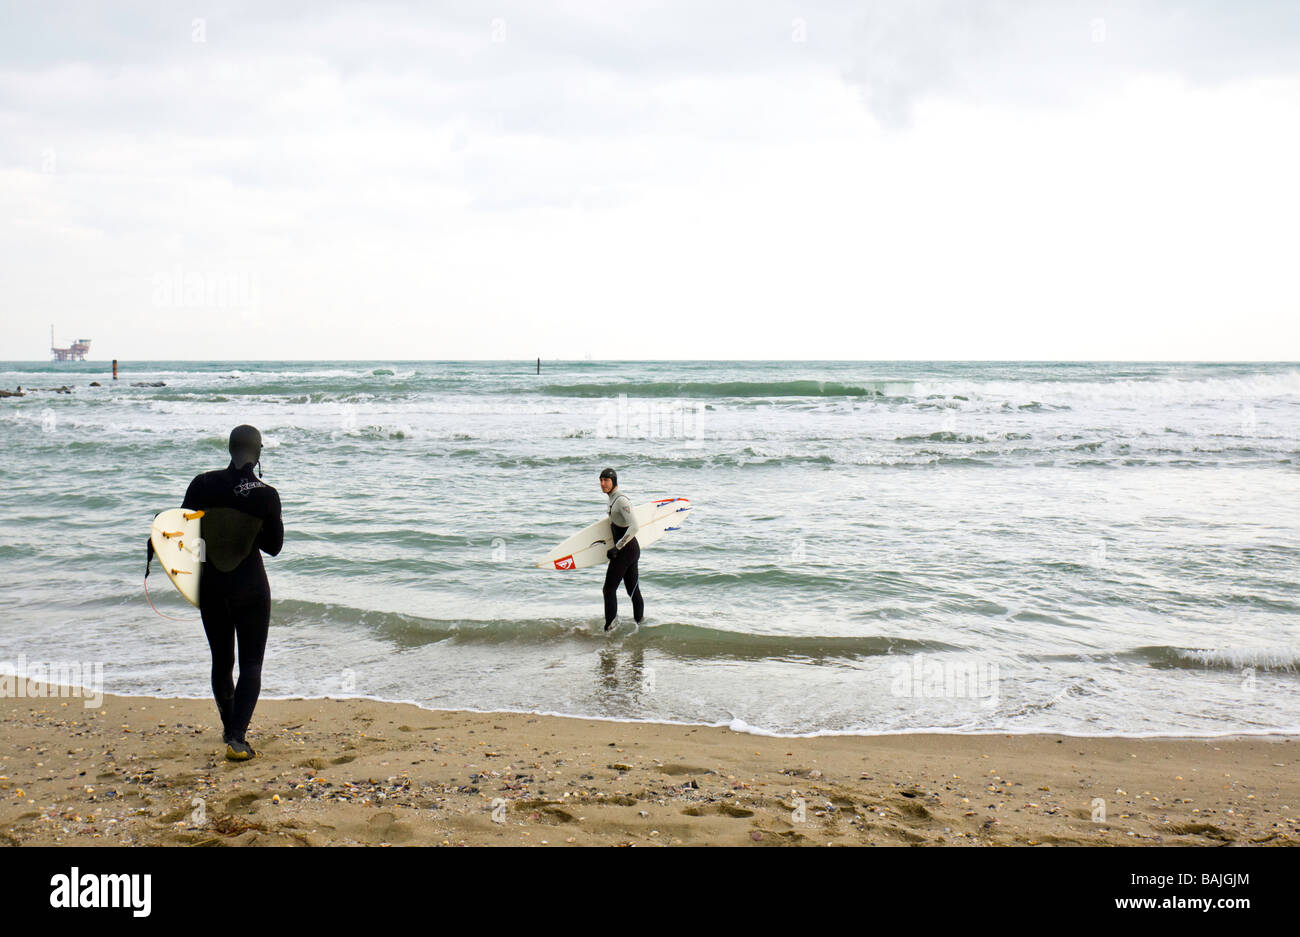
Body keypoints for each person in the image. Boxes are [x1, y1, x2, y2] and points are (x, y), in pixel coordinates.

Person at [182, 425, 283, 761]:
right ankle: (238, 738)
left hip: (210, 585)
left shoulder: (202, 483)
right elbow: (274, 547)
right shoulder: (266, 494)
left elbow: (184, 530)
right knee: (251, 664)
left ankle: (229, 728)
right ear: (258, 452)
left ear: (229, 449)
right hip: (250, 587)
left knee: (222, 661)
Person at [599, 467, 644, 631]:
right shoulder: (612, 497)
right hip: (629, 550)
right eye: (601, 480)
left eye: (606, 480)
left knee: (608, 589)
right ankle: (640, 625)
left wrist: (617, 548)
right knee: (632, 590)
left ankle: (609, 628)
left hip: (626, 550)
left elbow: (635, 526)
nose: (603, 484)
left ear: (614, 481)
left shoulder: (621, 500)